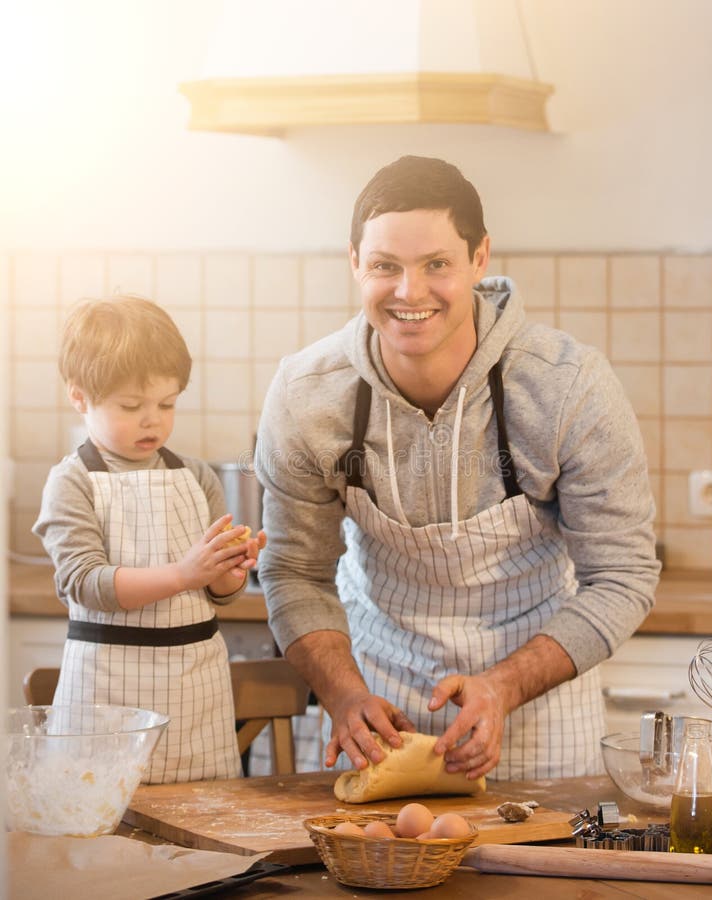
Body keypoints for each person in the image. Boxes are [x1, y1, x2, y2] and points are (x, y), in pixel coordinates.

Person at [255, 155, 660, 782]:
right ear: (355, 264)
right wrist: (343, 695)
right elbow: (295, 573)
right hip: (374, 699)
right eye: (386, 265)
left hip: (539, 711)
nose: (409, 292)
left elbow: (623, 576)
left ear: (480, 258)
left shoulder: (567, 386)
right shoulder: (306, 395)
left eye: (436, 264)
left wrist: (501, 687)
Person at [34, 296, 265, 783]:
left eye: (167, 404)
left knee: (202, 834)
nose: (152, 420)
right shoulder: (72, 481)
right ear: (80, 397)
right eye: (131, 406)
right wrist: (185, 573)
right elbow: (86, 583)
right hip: (106, 698)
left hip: (195, 696)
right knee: (103, 832)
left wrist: (227, 573)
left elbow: (217, 596)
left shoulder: (196, 476)